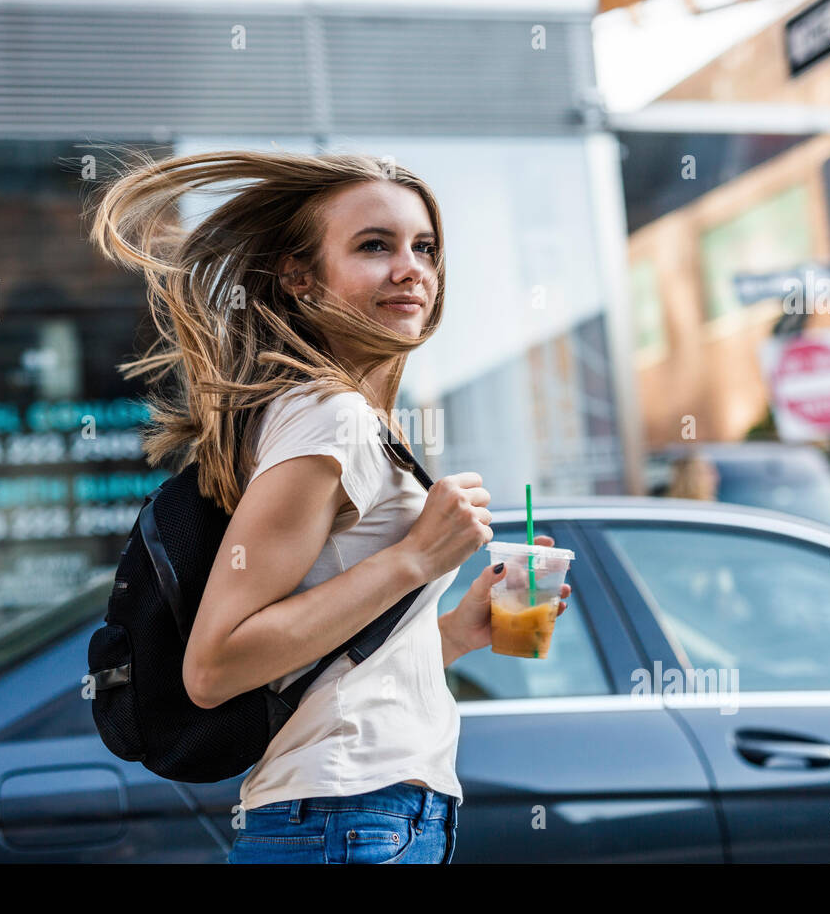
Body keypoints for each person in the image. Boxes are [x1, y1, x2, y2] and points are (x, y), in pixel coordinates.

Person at [88, 150, 572, 863]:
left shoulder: (351, 417)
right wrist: (414, 558)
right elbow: (214, 665)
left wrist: (453, 635)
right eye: (375, 246)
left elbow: (330, 676)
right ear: (300, 277)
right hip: (345, 821)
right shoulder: (329, 416)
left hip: (369, 817)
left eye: (425, 247)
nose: (412, 268)